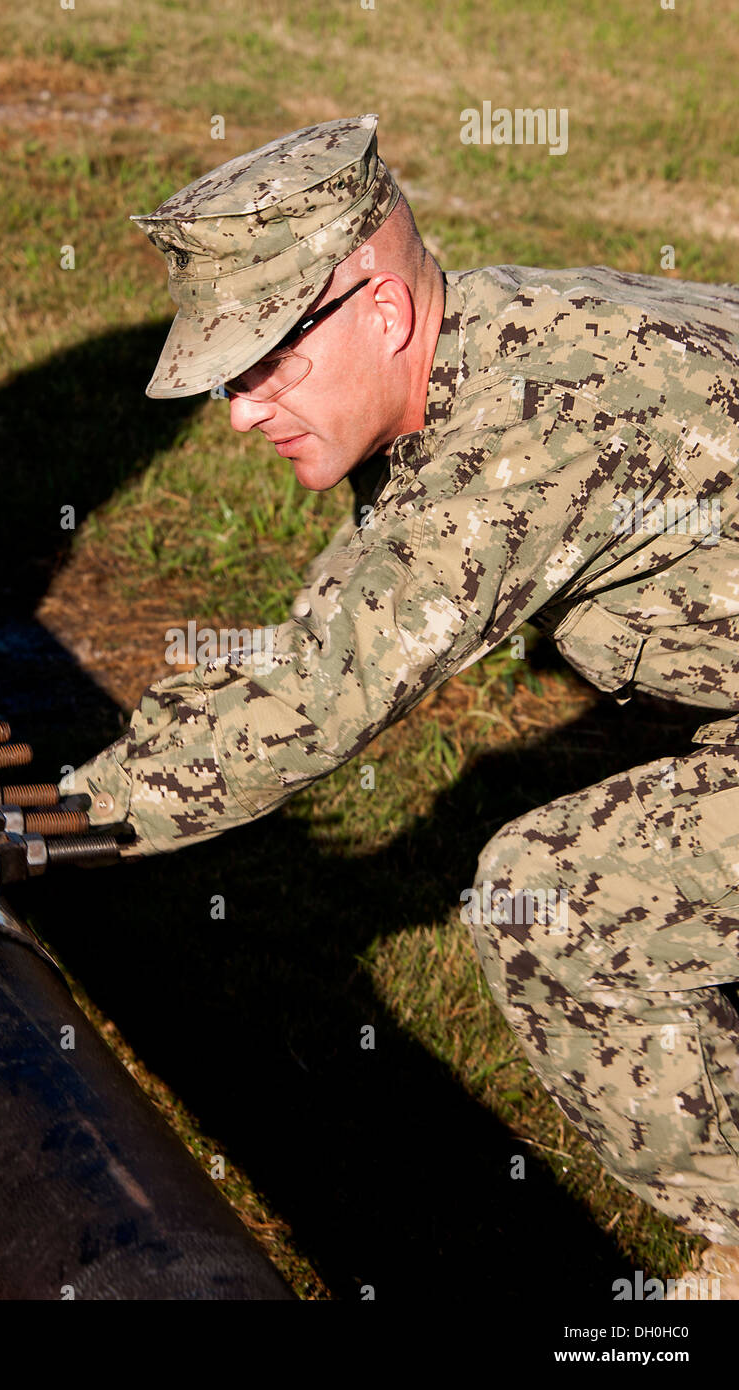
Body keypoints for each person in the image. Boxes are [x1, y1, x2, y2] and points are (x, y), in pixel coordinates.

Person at [66, 114, 739, 1297]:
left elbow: (320, 697)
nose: (238, 411)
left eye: (268, 358)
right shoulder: (485, 342)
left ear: (379, 312)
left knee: (562, 911)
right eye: (229, 374)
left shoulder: (522, 432)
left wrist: (50, 827)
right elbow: (319, 640)